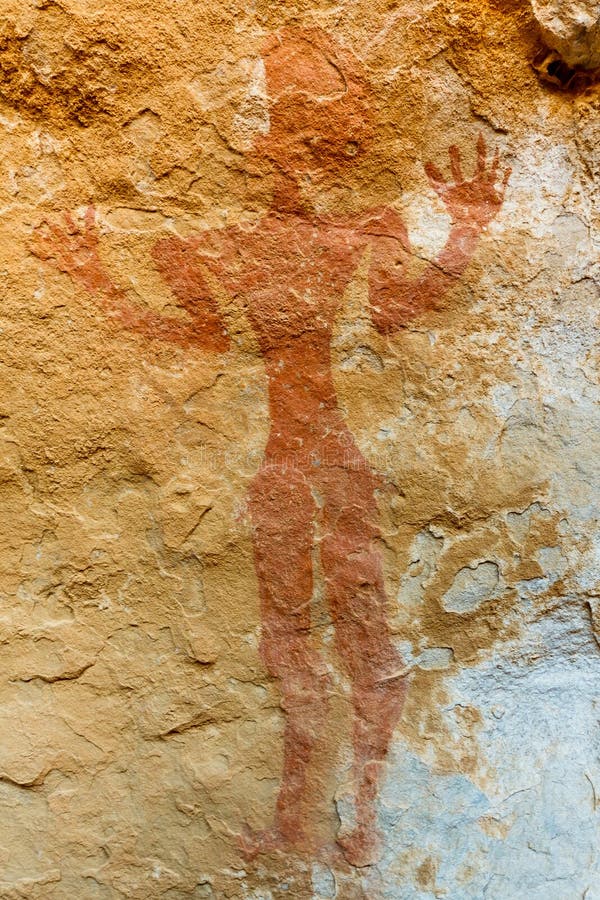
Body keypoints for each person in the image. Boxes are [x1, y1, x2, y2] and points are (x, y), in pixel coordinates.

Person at [33, 27, 510, 867]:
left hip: (319, 460)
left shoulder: (365, 225)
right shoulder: (228, 242)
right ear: (262, 144)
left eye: (316, 137)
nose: (299, 160)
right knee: (290, 640)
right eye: (289, 135)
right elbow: (201, 334)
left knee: (357, 634)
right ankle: (300, 824)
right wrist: (92, 278)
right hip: (287, 467)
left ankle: (360, 823)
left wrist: (466, 229)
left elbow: (393, 315)